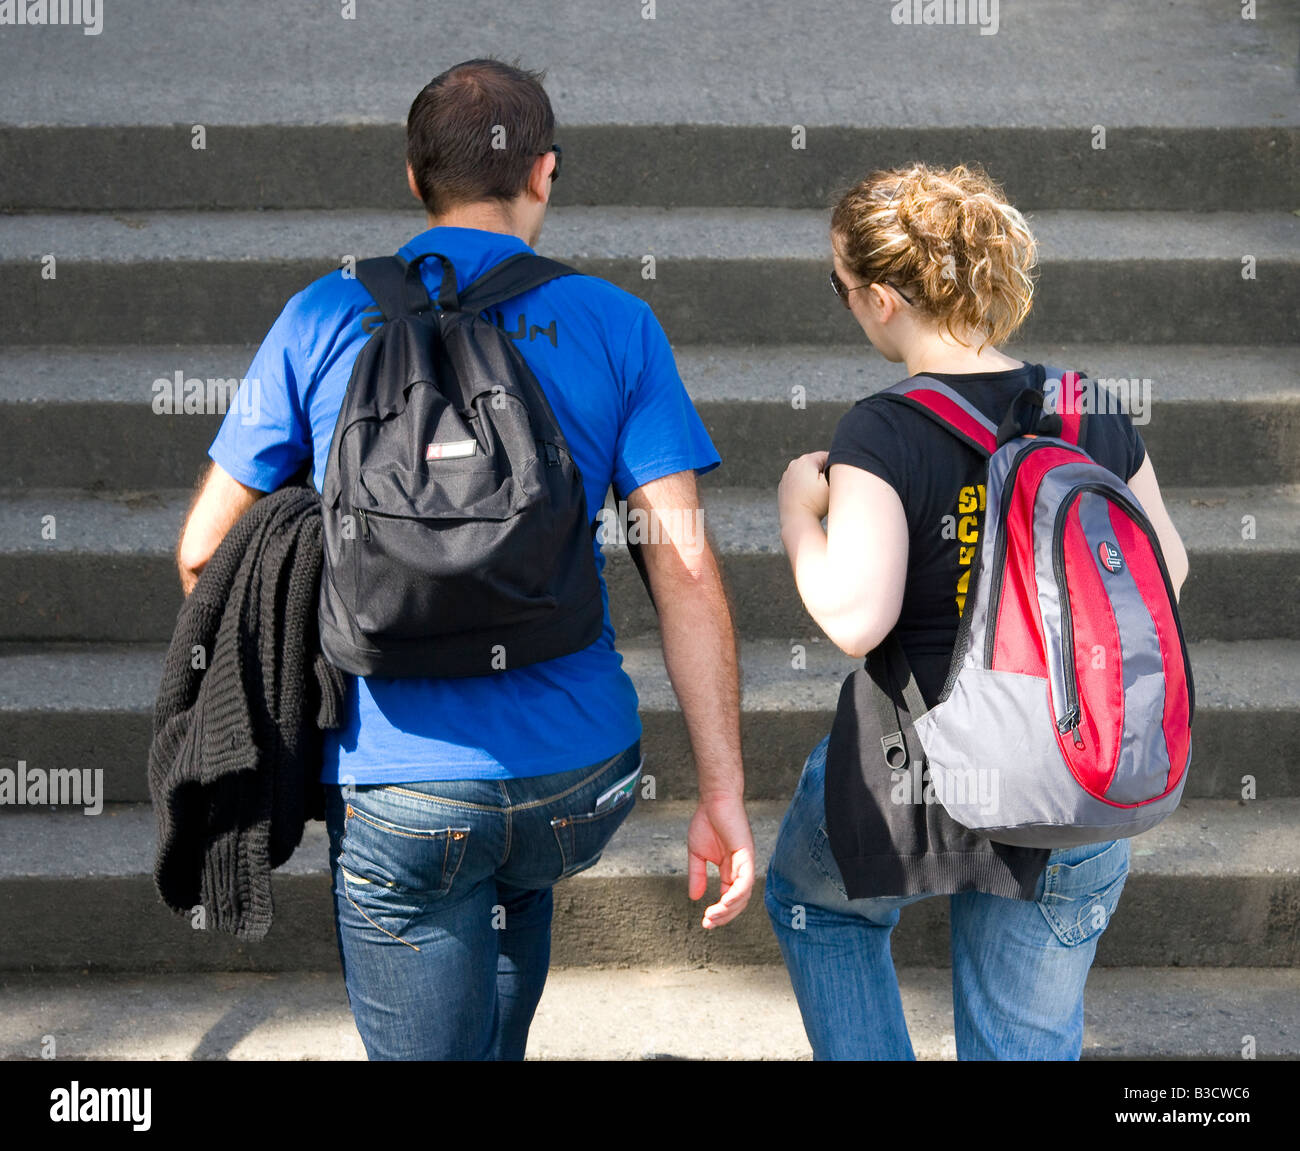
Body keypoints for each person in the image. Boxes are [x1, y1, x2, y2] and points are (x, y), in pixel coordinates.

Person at [175, 58, 754, 1060]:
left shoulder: (322, 315)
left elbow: (200, 554)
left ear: (413, 178)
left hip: (399, 782)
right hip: (577, 779)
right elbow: (685, 568)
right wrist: (721, 791)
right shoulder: (617, 321)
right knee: (505, 905)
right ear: (545, 171)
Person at [766, 162, 1189, 1060]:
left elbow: (854, 618)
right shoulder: (1085, 406)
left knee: (819, 906)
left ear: (882, 298)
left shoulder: (881, 431)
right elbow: (1171, 570)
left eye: (839, 288)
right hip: (1078, 765)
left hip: (925, 768)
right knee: (1021, 1040)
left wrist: (798, 515)